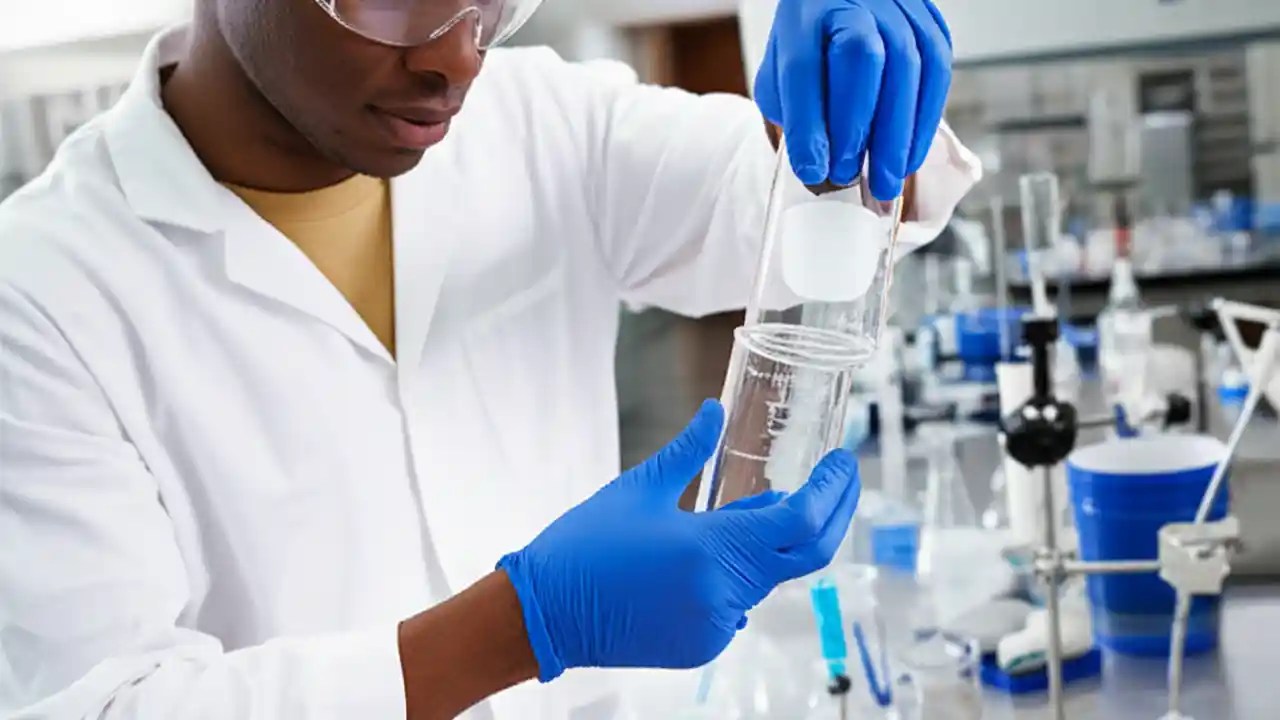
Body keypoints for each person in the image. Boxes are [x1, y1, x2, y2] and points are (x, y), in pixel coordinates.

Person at [0, 0, 979, 717]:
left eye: (490, 7)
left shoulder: (546, 122)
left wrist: (845, 110)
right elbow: (104, 706)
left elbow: (779, 203)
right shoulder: (41, 287)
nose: (456, 60)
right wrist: (523, 625)